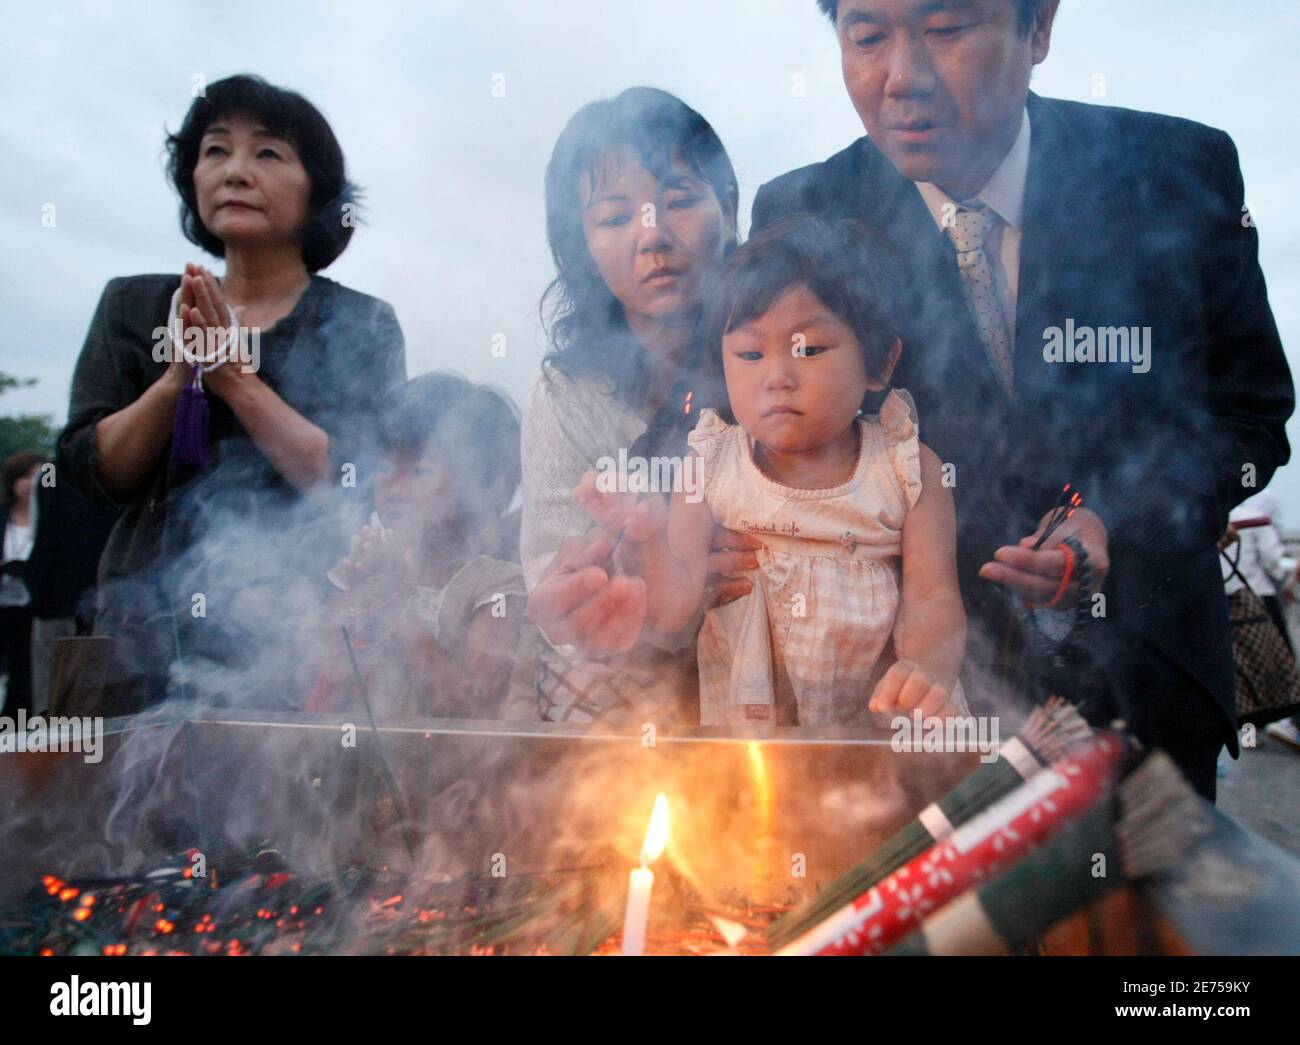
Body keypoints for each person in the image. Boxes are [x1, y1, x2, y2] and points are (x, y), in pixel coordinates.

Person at [751, 0, 1293, 799]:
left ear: (1038, 29)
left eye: (945, 30)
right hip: (907, 706)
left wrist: (1118, 513)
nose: (901, 78)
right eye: (867, 36)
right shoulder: (806, 213)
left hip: (1142, 693)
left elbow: (1249, 414)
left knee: (1136, 927)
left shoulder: (1176, 174)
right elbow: (758, 429)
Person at [56, 74, 406, 709]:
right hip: (132, 642)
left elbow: (356, 479)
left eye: (267, 153)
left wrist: (234, 379)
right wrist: (173, 379)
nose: (235, 172)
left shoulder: (360, 324)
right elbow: (94, 470)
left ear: (318, 192)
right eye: (215, 151)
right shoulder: (133, 307)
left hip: (289, 645)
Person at [574, 216, 965, 726]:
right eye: (751, 354)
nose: (777, 377)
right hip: (750, 739)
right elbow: (676, 607)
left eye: (809, 349)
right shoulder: (710, 465)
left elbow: (934, 596)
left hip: (878, 729)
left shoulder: (906, 468)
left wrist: (926, 668)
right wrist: (648, 542)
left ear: (880, 363)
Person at [521, 87, 761, 726]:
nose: (652, 236)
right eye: (614, 217)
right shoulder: (567, 394)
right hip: (629, 694)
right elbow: (557, 581)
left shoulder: (781, 349)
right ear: (582, 246)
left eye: (680, 200)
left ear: (729, 207)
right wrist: (606, 593)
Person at [307, 372, 530, 719]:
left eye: (419, 472)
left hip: (453, 771)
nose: (393, 488)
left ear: (479, 485)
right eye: (384, 467)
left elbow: (467, 703)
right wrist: (358, 591)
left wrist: (395, 602)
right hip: (361, 764)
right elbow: (317, 671)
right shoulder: (370, 561)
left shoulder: (497, 588)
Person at [0, 452, 45, 715]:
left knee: (24, 665)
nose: (30, 484)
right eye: (24, 477)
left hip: (30, 603)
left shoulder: (50, 518)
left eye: (35, 477)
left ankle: (16, 718)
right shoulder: (3, 515)